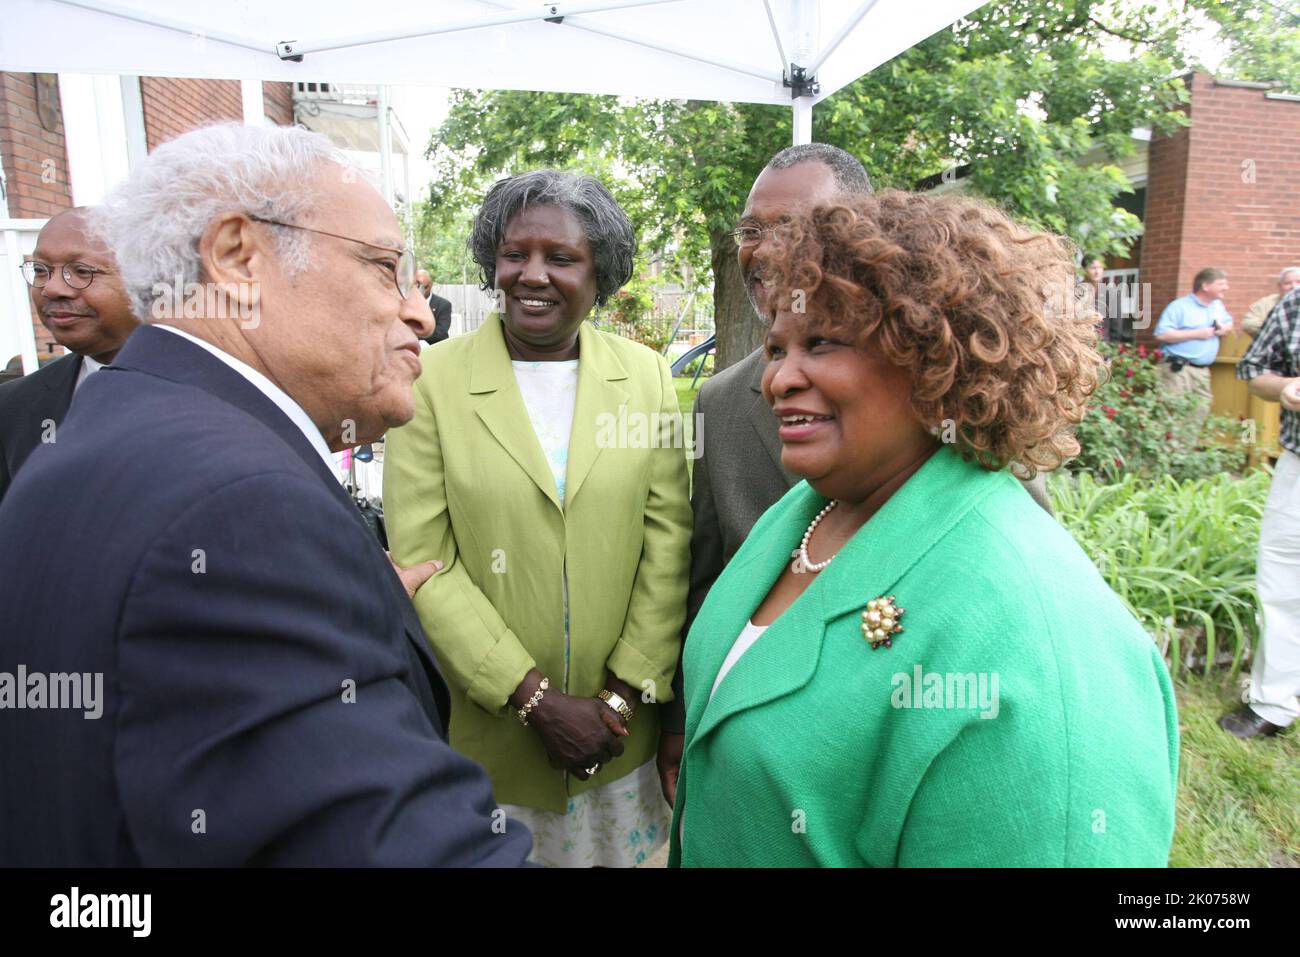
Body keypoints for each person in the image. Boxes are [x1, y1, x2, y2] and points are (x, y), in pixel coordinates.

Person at [0, 122, 531, 867]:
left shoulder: (121, 430)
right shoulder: (242, 509)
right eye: (385, 268)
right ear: (236, 257)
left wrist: (343, 619)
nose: (417, 313)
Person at [669, 192, 1179, 867]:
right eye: (776, 348)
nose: (777, 379)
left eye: (821, 342)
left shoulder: (1039, 641)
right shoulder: (804, 514)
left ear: (933, 350)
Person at [657, 144, 1051, 806]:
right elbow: (705, 575)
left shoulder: (955, 404)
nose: (766, 249)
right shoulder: (720, 404)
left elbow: (1016, 576)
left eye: (794, 226)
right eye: (753, 230)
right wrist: (679, 720)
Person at [384, 169, 690, 867]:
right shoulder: (431, 381)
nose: (533, 275)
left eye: (561, 258)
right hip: (492, 745)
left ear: (600, 272)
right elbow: (424, 562)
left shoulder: (645, 376)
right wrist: (536, 701)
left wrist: (617, 697)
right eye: (515, 253)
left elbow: (669, 543)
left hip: (619, 743)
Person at [0, 207, 139, 502]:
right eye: (40, 270)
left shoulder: (227, 389)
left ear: (149, 281)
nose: (51, 288)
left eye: (81, 271)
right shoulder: (12, 406)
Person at [1223, 286, 1300, 738]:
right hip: (1297, 463)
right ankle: (1273, 704)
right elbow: (1256, 371)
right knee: (1283, 583)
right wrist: (1286, 386)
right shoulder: (1294, 304)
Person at [1154, 267, 1233, 422]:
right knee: (1171, 414)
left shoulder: (1217, 306)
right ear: (1205, 286)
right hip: (1178, 370)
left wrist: (1223, 329)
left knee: (1200, 411)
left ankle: (1186, 447)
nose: (1226, 287)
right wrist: (1197, 333)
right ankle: (1170, 447)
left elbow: (1229, 323)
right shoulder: (1179, 306)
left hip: (1202, 371)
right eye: (1221, 284)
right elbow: (1161, 334)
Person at [1242, 266, 1300, 339]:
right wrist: (1276, 330)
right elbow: (1248, 324)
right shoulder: (1266, 303)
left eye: (1298, 282)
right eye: (1287, 283)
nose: (1293, 286)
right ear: (1279, 286)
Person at [1084, 255, 1128, 344]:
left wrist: (1111, 348)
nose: (1097, 272)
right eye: (1093, 268)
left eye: (1100, 267)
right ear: (1084, 269)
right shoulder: (1075, 292)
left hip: (1102, 345)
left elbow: (1116, 325)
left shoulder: (1111, 294)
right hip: (1079, 344)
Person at [417, 267, 453, 344]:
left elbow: (441, 334)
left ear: (430, 285)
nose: (420, 290)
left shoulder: (443, 305)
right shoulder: (406, 303)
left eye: (424, 287)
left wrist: (415, 333)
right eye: (417, 286)